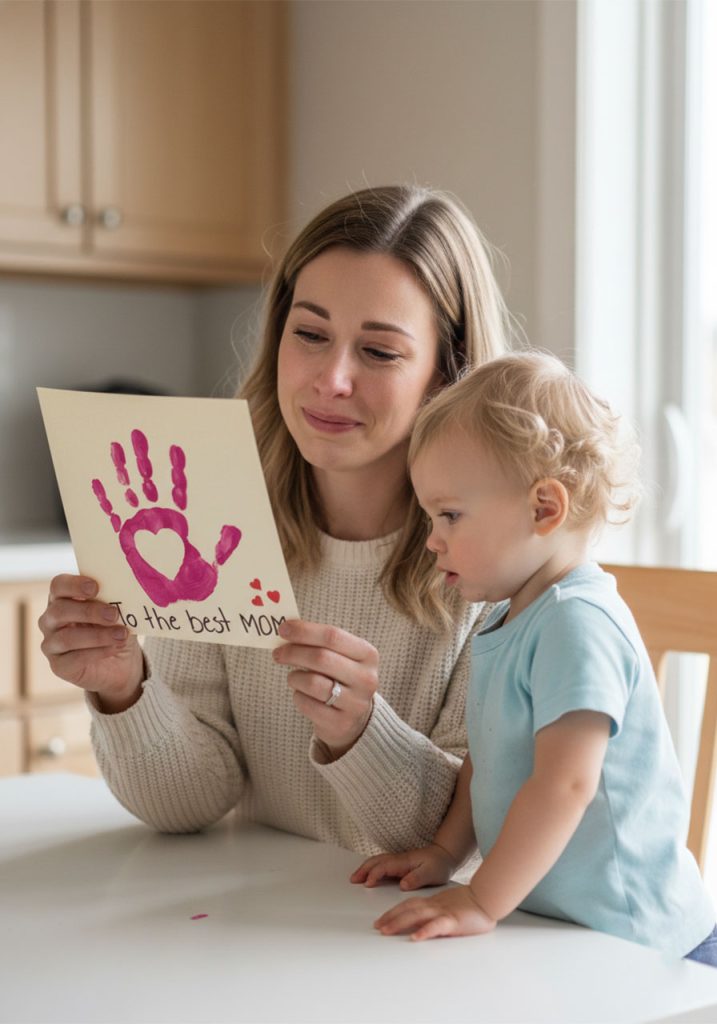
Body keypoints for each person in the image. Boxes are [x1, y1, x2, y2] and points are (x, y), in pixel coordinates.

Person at [38, 184, 512, 857]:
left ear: (447, 375)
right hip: (262, 921)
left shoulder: (496, 567)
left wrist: (358, 732)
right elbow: (189, 803)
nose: (331, 379)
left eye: (378, 352)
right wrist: (125, 688)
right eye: (310, 335)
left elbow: (461, 847)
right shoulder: (217, 528)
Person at [353, 350, 717, 964]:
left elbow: (566, 783)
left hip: (647, 946)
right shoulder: (508, 618)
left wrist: (481, 900)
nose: (432, 539)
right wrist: (447, 853)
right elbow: (489, 761)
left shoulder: (578, 622)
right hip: (563, 936)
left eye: (448, 515)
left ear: (544, 508)